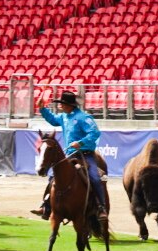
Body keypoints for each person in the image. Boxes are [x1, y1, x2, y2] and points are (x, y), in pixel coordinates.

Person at [34, 90, 106, 220]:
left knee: (95, 178)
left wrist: (81, 142)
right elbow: (52, 119)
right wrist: (42, 108)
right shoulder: (63, 117)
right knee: (52, 177)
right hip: (69, 154)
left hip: (85, 154)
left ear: (69, 105)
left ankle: (101, 207)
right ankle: (46, 206)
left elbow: (95, 133)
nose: (60, 106)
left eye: (62, 104)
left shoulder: (84, 118)